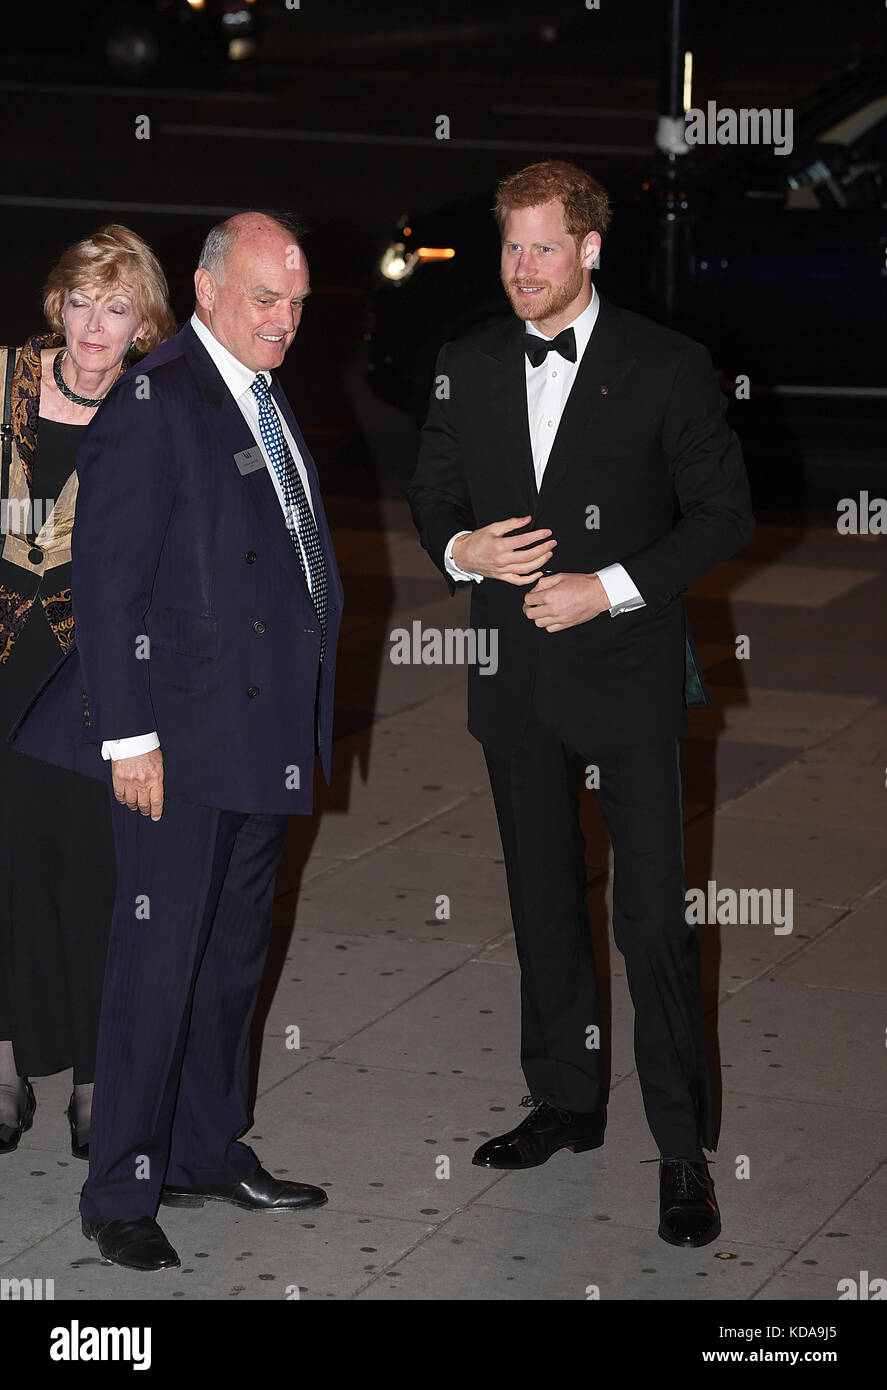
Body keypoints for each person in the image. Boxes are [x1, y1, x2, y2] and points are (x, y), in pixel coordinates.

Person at [408, 160, 755, 1248]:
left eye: (541, 248)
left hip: (628, 676)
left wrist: (605, 587)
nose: (520, 268)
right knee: (544, 903)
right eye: (509, 248)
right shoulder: (466, 360)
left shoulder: (666, 364)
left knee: (651, 918)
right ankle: (564, 1098)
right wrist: (463, 548)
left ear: (589, 249)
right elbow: (432, 494)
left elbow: (721, 515)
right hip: (515, 685)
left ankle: (680, 1148)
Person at [10, 210, 343, 1271]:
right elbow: (106, 583)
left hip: (260, 738)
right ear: (204, 293)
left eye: (295, 302)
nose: (283, 321)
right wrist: (131, 737)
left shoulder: (258, 384)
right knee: (153, 963)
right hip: (177, 741)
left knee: (230, 958)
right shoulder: (158, 397)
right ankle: (119, 1187)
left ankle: (205, 1149)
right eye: (263, 299)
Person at [0, 225, 175, 1161]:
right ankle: (2, 1060)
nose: (94, 324)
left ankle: (98, 1077)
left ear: (145, 318)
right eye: (79, 301)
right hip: (1, 664)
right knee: (4, 866)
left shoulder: (159, 405)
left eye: (116, 305)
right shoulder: (1, 383)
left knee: (100, 872)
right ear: (54, 304)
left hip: (100, 670)